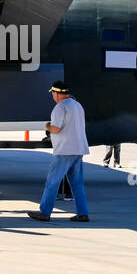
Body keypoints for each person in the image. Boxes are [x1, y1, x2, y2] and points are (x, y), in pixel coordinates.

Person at [28, 81, 90, 222]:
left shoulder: (60, 108)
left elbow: (56, 128)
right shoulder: (77, 105)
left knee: (53, 182)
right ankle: (83, 213)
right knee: (77, 183)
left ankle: (45, 212)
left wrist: (47, 126)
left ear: (56, 93)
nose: (53, 96)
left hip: (64, 149)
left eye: (53, 93)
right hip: (78, 148)